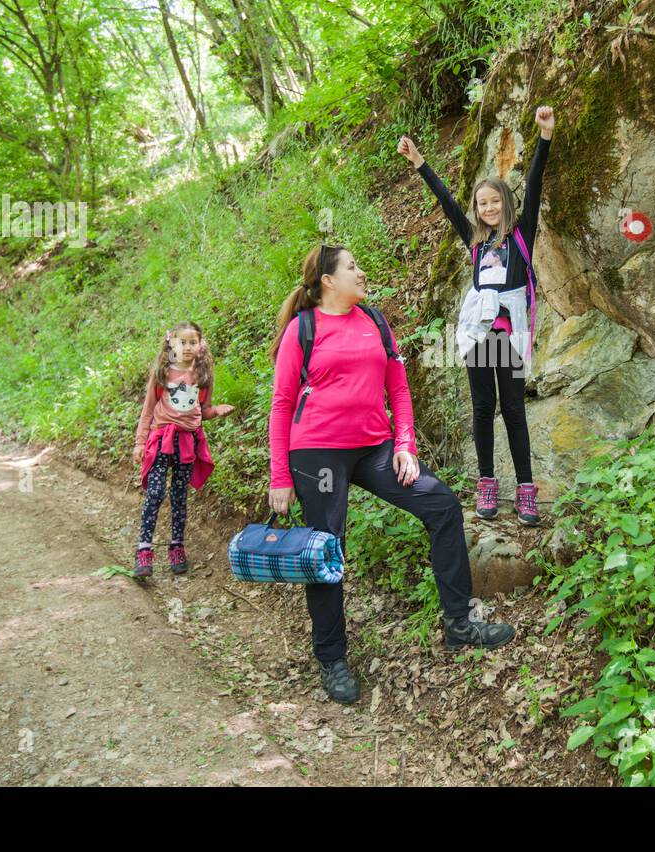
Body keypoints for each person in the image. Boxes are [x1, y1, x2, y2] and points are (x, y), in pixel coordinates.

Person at [267, 244, 515, 704]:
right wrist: (279, 474)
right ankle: (332, 657)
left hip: (374, 447)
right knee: (327, 547)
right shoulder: (304, 329)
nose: (361, 272)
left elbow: (398, 388)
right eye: (353, 266)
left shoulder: (375, 322)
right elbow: (282, 403)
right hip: (318, 453)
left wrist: (404, 445)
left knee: (440, 504)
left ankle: (459, 623)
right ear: (328, 281)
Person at [398, 105, 554, 525]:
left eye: (493, 201)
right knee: (483, 409)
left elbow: (536, 184)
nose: (486, 208)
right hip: (478, 336)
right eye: (480, 203)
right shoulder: (475, 241)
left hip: (510, 335)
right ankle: (487, 482)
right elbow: (446, 202)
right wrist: (420, 164)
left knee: (515, 411)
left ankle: (525, 489)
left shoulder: (522, 233)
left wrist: (544, 137)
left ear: (505, 202)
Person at [132, 321, 235, 577]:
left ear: (200, 345)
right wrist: (139, 442)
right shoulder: (162, 374)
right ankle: (144, 551)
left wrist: (217, 411)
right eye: (182, 342)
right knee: (155, 493)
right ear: (171, 342)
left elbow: (204, 410)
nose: (188, 347)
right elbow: (147, 411)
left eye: (193, 342)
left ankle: (176, 547)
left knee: (179, 496)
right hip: (160, 439)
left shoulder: (203, 376)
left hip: (187, 442)